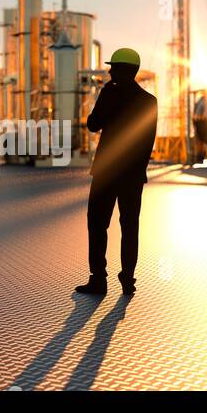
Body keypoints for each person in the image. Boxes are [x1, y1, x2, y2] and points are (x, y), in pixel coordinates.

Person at [76, 48, 157, 296]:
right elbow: (148, 141)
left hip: (106, 171)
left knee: (98, 223)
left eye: (113, 67)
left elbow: (93, 125)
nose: (109, 71)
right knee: (129, 226)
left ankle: (98, 279)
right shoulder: (148, 101)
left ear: (123, 70)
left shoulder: (109, 92)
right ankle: (128, 280)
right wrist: (138, 172)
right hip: (132, 175)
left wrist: (97, 110)